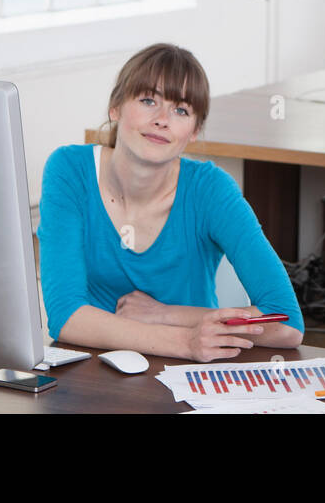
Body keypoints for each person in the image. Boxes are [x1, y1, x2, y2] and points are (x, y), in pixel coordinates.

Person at [37, 43, 304, 361]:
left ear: (194, 131)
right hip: (94, 369)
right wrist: (184, 342)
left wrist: (167, 315)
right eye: (148, 100)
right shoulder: (69, 170)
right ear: (116, 108)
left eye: (181, 110)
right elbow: (66, 317)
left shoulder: (212, 190)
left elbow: (287, 323)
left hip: (190, 375)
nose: (162, 120)